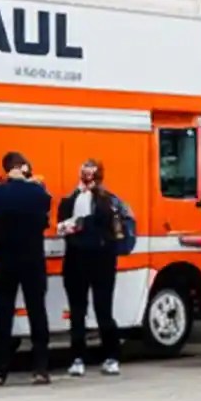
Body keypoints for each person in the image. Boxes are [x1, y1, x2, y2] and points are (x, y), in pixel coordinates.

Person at [0, 151, 52, 386]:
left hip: (4, 262)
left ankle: (0, 370)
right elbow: (46, 204)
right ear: (25, 167)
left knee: (3, 314)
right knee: (37, 312)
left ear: (6, 169)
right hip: (32, 261)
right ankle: (41, 368)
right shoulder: (38, 194)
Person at [57, 159, 122, 377]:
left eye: (90, 175)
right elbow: (60, 220)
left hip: (101, 261)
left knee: (103, 310)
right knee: (77, 312)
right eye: (83, 174)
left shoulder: (108, 201)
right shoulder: (71, 198)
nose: (86, 179)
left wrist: (93, 197)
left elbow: (111, 226)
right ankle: (77, 357)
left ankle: (111, 356)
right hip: (76, 259)